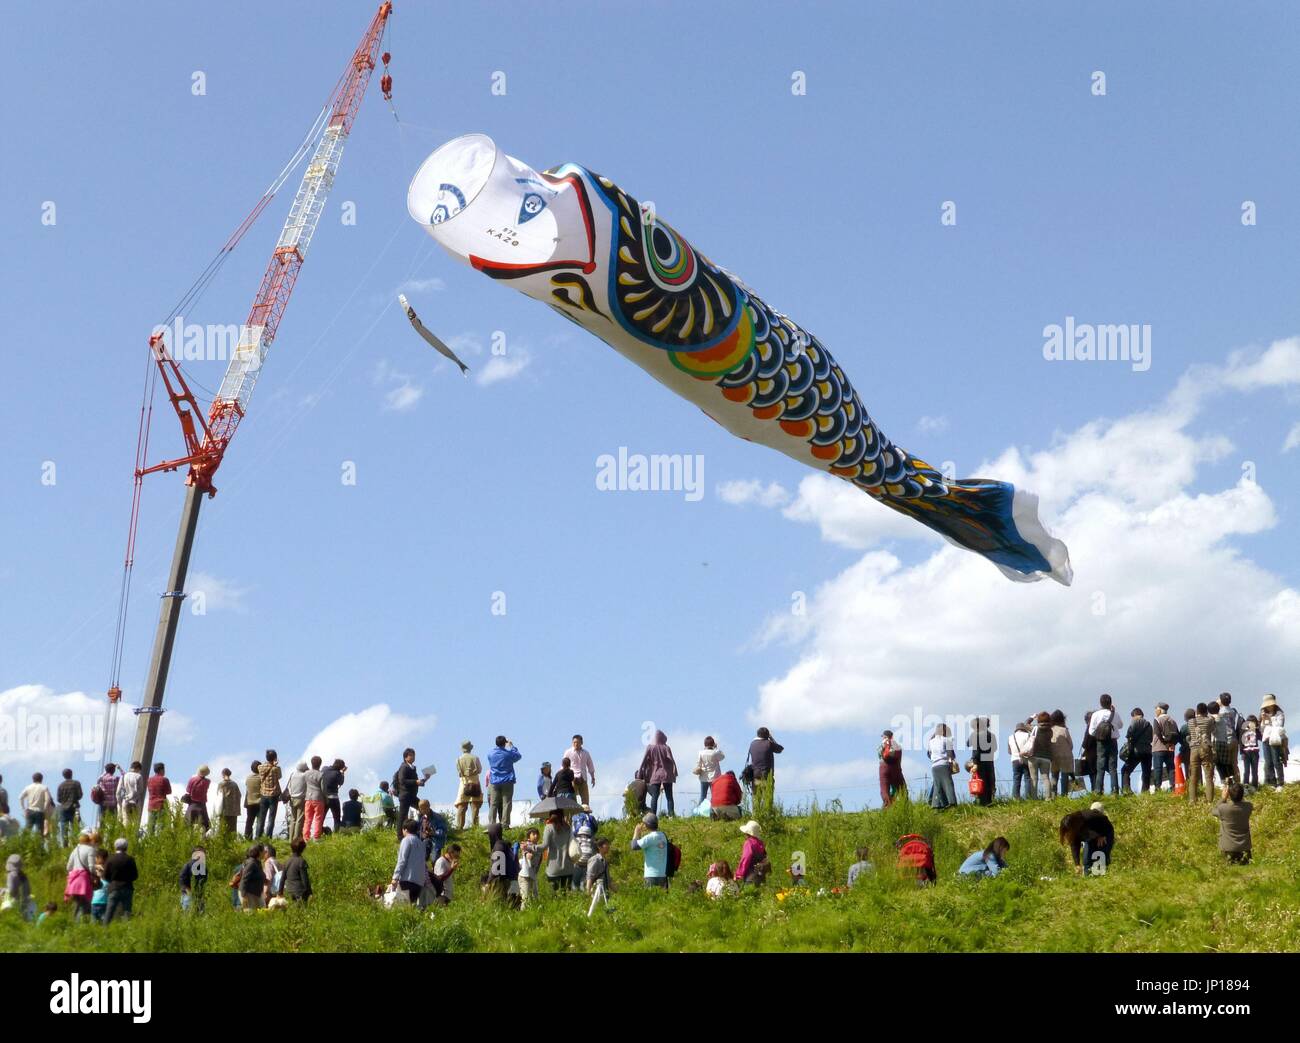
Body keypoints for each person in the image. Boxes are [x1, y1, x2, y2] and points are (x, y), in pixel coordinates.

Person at [1060, 803, 1114, 876]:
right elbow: (1074, 846)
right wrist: (1077, 864)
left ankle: (1102, 876)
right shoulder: (1073, 831)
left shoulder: (1089, 816)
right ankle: (1088, 877)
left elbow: (1104, 819)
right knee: (1087, 859)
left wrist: (1103, 834)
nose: (1069, 833)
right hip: (1091, 837)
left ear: (1074, 825)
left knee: (1100, 855)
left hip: (1105, 832)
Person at [1088, 694, 1122, 795]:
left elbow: (1091, 731)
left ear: (1100, 703)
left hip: (1101, 742)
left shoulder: (1096, 715)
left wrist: (1099, 734)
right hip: (1113, 741)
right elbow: (1120, 725)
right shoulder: (1115, 714)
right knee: (1113, 767)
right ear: (1110, 703)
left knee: (1100, 767)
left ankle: (1098, 791)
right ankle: (1115, 791)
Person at [640, 730, 678, 818]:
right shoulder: (666, 748)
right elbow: (672, 760)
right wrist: (674, 771)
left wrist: (640, 774)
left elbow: (644, 761)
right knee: (669, 797)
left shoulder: (650, 748)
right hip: (667, 775)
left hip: (655, 775)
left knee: (654, 796)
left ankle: (653, 816)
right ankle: (671, 815)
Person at [1212, 783, 1252, 864]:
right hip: (1244, 848)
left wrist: (1223, 798)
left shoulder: (1223, 808)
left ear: (1229, 794)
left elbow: (1214, 811)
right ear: (1242, 794)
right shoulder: (1249, 807)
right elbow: (1242, 802)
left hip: (1228, 849)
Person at [746, 727, 784, 814]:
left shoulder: (752, 744)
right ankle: (768, 814)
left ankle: (756, 814)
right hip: (767, 775)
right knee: (768, 796)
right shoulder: (769, 743)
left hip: (755, 774)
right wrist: (771, 738)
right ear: (767, 735)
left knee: (756, 797)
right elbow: (780, 749)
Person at [486, 737, 521, 828]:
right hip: (507, 780)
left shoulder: (490, 754)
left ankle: (492, 824)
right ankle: (505, 824)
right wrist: (512, 746)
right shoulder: (508, 754)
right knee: (507, 803)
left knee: (493, 803)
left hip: (494, 781)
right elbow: (518, 756)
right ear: (504, 743)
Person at [103, 837, 139, 924]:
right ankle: (126, 929)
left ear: (115, 847)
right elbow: (135, 875)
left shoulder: (110, 859)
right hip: (127, 887)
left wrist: (112, 880)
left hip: (114, 887)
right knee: (127, 910)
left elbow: (105, 875)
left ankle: (105, 929)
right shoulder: (130, 859)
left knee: (109, 910)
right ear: (126, 847)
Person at [631, 813, 670, 889]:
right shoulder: (663, 835)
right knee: (663, 900)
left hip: (651, 876)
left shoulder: (649, 838)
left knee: (651, 900)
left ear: (646, 825)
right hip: (663, 875)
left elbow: (634, 846)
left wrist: (636, 832)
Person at [64, 832, 97, 919]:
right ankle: (83, 924)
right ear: (89, 840)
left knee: (76, 904)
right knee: (85, 905)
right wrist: (95, 875)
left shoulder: (75, 850)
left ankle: (73, 923)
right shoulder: (90, 850)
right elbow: (91, 866)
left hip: (74, 881)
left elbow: (68, 867)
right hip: (84, 881)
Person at [392, 820, 425, 903]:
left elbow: (402, 860)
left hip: (407, 879)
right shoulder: (421, 844)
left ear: (405, 829)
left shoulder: (406, 840)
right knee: (412, 907)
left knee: (403, 906)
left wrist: (395, 877)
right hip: (419, 882)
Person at [1187, 703, 1215, 802]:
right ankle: (1209, 800)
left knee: (1193, 776)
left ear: (1197, 711)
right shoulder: (1209, 720)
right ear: (1206, 711)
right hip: (1205, 748)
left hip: (1194, 749)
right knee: (1208, 777)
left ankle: (1192, 800)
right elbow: (1212, 729)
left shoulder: (1190, 722)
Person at [1121, 708, 1153, 794]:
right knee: (1146, 773)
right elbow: (1151, 738)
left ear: (1135, 715)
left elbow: (1129, 734)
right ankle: (1145, 792)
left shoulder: (1135, 722)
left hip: (1136, 751)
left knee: (1125, 770)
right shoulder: (1149, 725)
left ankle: (1126, 791)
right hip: (1148, 751)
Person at [484, 822, 517, 904]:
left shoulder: (498, 846)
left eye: (489, 834)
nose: (489, 836)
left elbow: (496, 866)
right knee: (510, 904)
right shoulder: (504, 844)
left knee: (501, 903)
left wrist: (488, 882)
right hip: (510, 878)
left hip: (503, 881)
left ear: (493, 833)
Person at [967, 717, 997, 807]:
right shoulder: (992, 735)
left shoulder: (976, 734)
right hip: (989, 760)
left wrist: (975, 762)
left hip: (979, 761)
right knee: (990, 780)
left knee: (980, 780)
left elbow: (969, 744)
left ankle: (982, 802)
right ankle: (989, 801)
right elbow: (995, 748)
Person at [541, 809, 574, 891]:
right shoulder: (568, 827)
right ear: (562, 816)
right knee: (565, 894)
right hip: (568, 867)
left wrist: (531, 848)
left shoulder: (549, 827)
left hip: (554, 868)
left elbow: (544, 846)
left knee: (554, 894)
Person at [1208, 700, 1238, 787]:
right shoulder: (1222, 716)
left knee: (1219, 763)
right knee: (1227, 763)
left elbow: (1213, 730)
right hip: (1224, 741)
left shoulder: (1214, 718)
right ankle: (1231, 781)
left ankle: (1224, 782)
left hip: (1217, 742)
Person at [454, 740, 483, 829]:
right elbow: (480, 770)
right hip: (475, 782)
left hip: (463, 784)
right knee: (475, 806)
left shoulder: (458, 760)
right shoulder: (475, 758)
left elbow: (459, 773)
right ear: (470, 748)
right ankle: (475, 826)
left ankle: (459, 826)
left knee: (461, 806)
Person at [1260, 695, 1286, 791]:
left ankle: (1280, 783)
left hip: (1275, 739)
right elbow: (1262, 729)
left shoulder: (1279, 713)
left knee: (1276, 761)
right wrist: (1263, 720)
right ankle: (1272, 782)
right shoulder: (1263, 714)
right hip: (1266, 740)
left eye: (1270, 705)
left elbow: (1280, 726)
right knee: (1268, 762)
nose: (1268, 707)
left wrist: (1270, 719)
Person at [928, 723, 957, 809]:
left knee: (937, 785)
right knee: (948, 784)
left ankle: (936, 804)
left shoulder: (931, 742)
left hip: (934, 766)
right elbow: (951, 754)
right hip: (944, 764)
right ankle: (952, 803)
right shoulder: (946, 740)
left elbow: (929, 754)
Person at [1151, 703, 1179, 791]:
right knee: (1171, 768)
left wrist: (1165, 744)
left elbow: (1157, 733)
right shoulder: (1173, 721)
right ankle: (1173, 786)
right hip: (1170, 749)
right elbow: (1178, 735)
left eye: (1156, 709)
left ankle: (1158, 787)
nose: (1155, 711)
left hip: (1158, 748)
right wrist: (1172, 744)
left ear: (1160, 710)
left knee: (1158, 768)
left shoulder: (1157, 720)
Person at [1026, 712, 1054, 799]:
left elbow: (1026, 724)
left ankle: (1034, 798)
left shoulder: (1035, 728)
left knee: (1034, 778)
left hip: (1034, 756)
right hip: (1046, 757)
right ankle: (1048, 798)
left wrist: (1032, 717)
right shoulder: (1050, 731)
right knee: (1046, 778)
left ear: (1039, 720)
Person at [564, 735, 597, 806]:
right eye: (574, 742)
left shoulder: (585, 753)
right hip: (572, 779)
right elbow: (564, 765)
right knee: (571, 800)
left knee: (585, 801)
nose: (576, 744)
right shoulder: (568, 752)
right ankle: (572, 816)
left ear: (581, 743)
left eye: (577, 742)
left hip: (583, 778)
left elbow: (590, 765)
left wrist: (593, 777)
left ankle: (585, 816)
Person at [693, 736, 726, 806]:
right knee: (714, 796)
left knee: (703, 796)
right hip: (714, 777)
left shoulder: (701, 753)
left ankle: (699, 812)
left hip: (703, 777)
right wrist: (716, 748)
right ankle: (713, 811)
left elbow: (698, 764)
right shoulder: (715, 753)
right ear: (713, 744)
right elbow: (722, 756)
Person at [1217, 693, 1242, 784]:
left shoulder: (1220, 713)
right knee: (1234, 763)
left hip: (1225, 740)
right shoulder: (1233, 711)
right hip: (1234, 738)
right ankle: (1238, 783)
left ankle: (1227, 784)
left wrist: (1217, 704)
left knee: (1226, 763)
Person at [735, 819, 768, 888]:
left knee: (750, 894)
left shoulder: (749, 843)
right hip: (761, 875)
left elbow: (746, 858)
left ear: (748, 833)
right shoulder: (760, 843)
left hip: (751, 876)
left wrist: (739, 874)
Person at [256, 751, 282, 838]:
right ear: (275, 758)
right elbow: (279, 776)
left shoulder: (260, 767)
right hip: (274, 795)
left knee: (261, 817)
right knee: (271, 817)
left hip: (263, 794)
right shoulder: (276, 769)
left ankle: (258, 836)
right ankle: (268, 836)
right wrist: (275, 765)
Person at [878, 731, 906, 807]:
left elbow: (879, 756)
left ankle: (887, 807)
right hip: (896, 768)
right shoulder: (897, 745)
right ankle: (905, 806)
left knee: (884, 789)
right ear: (892, 736)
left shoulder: (882, 744)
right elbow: (899, 758)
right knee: (902, 789)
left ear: (884, 736)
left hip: (884, 768)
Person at [1050, 710, 1075, 797]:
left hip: (1053, 756)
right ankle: (1064, 795)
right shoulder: (1064, 730)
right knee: (1064, 777)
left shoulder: (1049, 731)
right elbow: (1071, 745)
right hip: (1065, 756)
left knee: (1054, 776)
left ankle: (1053, 795)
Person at [55, 769, 82, 846]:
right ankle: (75, 843)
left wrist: (65, 801)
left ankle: (65, 845)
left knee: (63, 827)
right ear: (71, 774)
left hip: (63, 808)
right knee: (75, 826)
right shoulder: (76, 783)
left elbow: (58, 799)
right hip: (74, 807)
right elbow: (80, 795)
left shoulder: (60, 785)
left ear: (63, 776)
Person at [517, 827, 542, 908]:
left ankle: (535, 912)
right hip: (525, 876)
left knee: (535, 895)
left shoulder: (537, 847)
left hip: (532, 875)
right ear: (528, 837)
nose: (536, 836)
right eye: (533, 834)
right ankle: (522, 915)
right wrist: (526, 854)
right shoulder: (527, 844)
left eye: (537, 834)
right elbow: (524, 848)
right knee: (525, 898)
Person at [586, 837, 612, 915]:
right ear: (599, 847)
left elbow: (609, 881)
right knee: (595, 912)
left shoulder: (605, 860)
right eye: (606, 844)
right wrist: (588, 892)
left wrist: (620, 892)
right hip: (596, 892)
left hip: (605, 892)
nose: (608, 846)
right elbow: (590, 877)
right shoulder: (595, 860)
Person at [238, 845, 268, 911]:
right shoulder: (251, 863)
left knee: (263, 912)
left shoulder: (258, 862)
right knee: (250, 914)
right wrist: (244, 896)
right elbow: (244, 879)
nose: (265, 852)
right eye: (263, 850)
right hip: (248, 894)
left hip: (257, 893)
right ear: (259, 852)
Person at [303, 756, 326, 842]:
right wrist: (325, 797)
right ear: (320, 764)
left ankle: (306, 837)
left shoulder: (306, 773)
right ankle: (316, 837)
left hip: (308, 798)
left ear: (311, 763)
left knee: (307, 819)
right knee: (318, 818)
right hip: (318, 798)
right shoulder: (321, 774)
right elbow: (323, 789)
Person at [5, 854, 33, 922]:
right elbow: (29, 891)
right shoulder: (23, 875)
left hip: (14, 903)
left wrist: (2, 891)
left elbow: (11, 891)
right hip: (25, 903)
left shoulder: (11, 875)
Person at [179, 845, 208, 912]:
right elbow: (182, 879)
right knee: (189, 915)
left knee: (199, 915)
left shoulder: (204, 867)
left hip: (199, 895)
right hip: (188, 895)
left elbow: (204, 881)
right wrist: (188, 891)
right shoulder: (188, 865)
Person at [1008, 722, 1032, 800]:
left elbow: (1009, 751)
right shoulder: (1027, 735)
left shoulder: (1010, 737)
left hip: (1015, 760)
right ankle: (1028, 798)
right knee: (1027, 778)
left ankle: (1015, 798)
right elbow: (1031, 748)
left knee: (1016, 779)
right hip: (1026, 759)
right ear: (1024, 729)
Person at [321, 759, 346, 832]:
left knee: (321, 817)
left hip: (323, 797)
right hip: (333, 798)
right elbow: (341, 782)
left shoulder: (324, 768)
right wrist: (342, 772)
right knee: (336, 818)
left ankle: (319, 832)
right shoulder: (337, 773)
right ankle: (337, 833)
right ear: (340, 767)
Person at [184, 765, 212, 830]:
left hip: (192, 804)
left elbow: (188, 790)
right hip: (202, 805)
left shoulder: (192, 779)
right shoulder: (207, 782)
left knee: (187, 824)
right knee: (204, 825)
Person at [120, 761, 146, 827]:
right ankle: (133, 836)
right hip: (135, 802)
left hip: (126, 801)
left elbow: (122, 788)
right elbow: (141, 790)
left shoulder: (125, 775)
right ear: (137, 768)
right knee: (135, 822)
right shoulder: (139, 776)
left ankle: (125, 835)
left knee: (125, 821)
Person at [215, 769, 240, 833]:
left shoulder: (221, 784)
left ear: (223, 774)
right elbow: (239, 795)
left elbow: (218, 796)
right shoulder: (235, 784)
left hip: (224, 810)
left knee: (223, 830)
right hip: (234, 811)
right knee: (232, 830)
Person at [1240, 715, 1261, 790]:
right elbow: (1241, 741)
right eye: (1250, 722)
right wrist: (1241, 752)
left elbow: (1261, 738)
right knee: (1246, 770)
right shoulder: (1244, 730)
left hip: (1255, 752)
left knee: (1255, 770)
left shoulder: (1256, 731)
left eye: (1253, 722)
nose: (1251, 724)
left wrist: (1258, 729)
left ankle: (1255, 785)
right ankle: (1246, 785)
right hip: (1246, 752)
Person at [242, 761, 260, 839]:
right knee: (260, 821)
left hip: (250, 802)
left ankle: (248, 837)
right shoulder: (261, 778)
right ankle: (259, 837)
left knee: (249, 822)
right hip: (259, 802)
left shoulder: (248, 778)